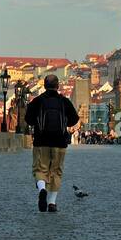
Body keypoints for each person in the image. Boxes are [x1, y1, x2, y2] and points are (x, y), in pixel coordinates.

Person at [24, 74, 79, 213]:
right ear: (58, 86)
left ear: (44, 85)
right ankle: (52, 203)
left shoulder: (37, 101)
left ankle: (42, 189)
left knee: (40, 169)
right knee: (56, 171)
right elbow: (74, 120)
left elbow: (28, 120)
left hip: (41, 142)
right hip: (59, 142)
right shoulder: (64, 101)